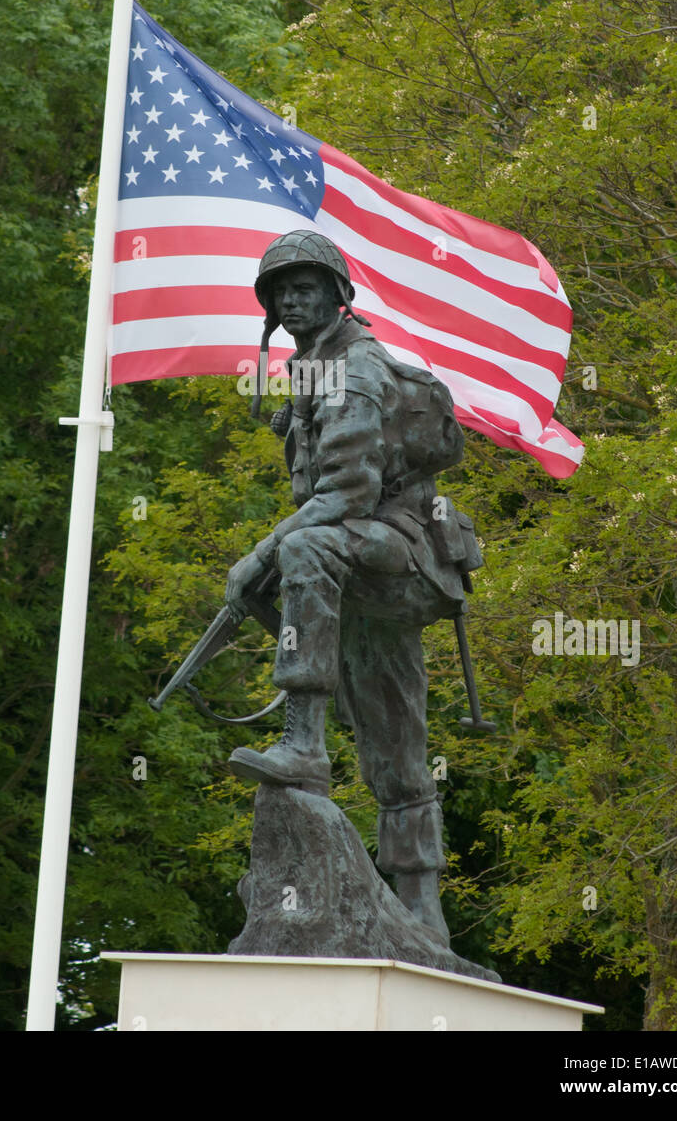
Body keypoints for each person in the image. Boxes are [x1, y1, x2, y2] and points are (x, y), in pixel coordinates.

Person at [225, 231, 481, 944]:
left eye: (305, 286)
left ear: (340, 295)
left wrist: (258, 556)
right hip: (359, 563)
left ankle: (302, 740)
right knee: (396, 740)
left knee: (301, 546)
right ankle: (422, 906)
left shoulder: (355, 370)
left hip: (398, 553)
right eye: (279, 290)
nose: (290, 297)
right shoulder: (311, 371)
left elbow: (345, 490)